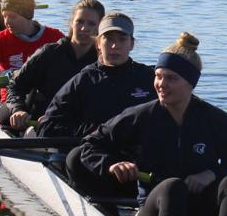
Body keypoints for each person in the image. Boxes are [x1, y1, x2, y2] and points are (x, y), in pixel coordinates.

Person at [74, 32, 227, 216]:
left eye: (171, 78)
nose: (161, 85)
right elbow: (90, 145)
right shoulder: (140, 116)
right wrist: (111, 164)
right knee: (171, 187)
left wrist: (212, 174)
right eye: (158, 76)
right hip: (152, 214)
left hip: (199, 213)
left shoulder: (216, 121)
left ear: (190, 83)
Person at [44, 10, 154, 143]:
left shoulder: (149, 78)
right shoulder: (82, 81)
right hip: (96, 152)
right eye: (109, 39)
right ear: (98, 44)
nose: (115, 46)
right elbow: (47, 126)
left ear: (131, 44)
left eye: (122, 39)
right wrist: (95, 131)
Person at [2, 0, 105, 132]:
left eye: (91, 24)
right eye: (79, 22)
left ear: (100, 28)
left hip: (77, 127)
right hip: (40, 122)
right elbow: (15, 85)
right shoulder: (49, 53)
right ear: (71, 23)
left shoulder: (102, 62)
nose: (84, 28)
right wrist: (18, 110)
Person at [0, 0, 65, 125]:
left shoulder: (54, 37)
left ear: (28, 15)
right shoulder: (1, 39)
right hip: (11, 101)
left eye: (13, 16)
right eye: (5, 16)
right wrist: (11, 74)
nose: (7, 21)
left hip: (44, 99)